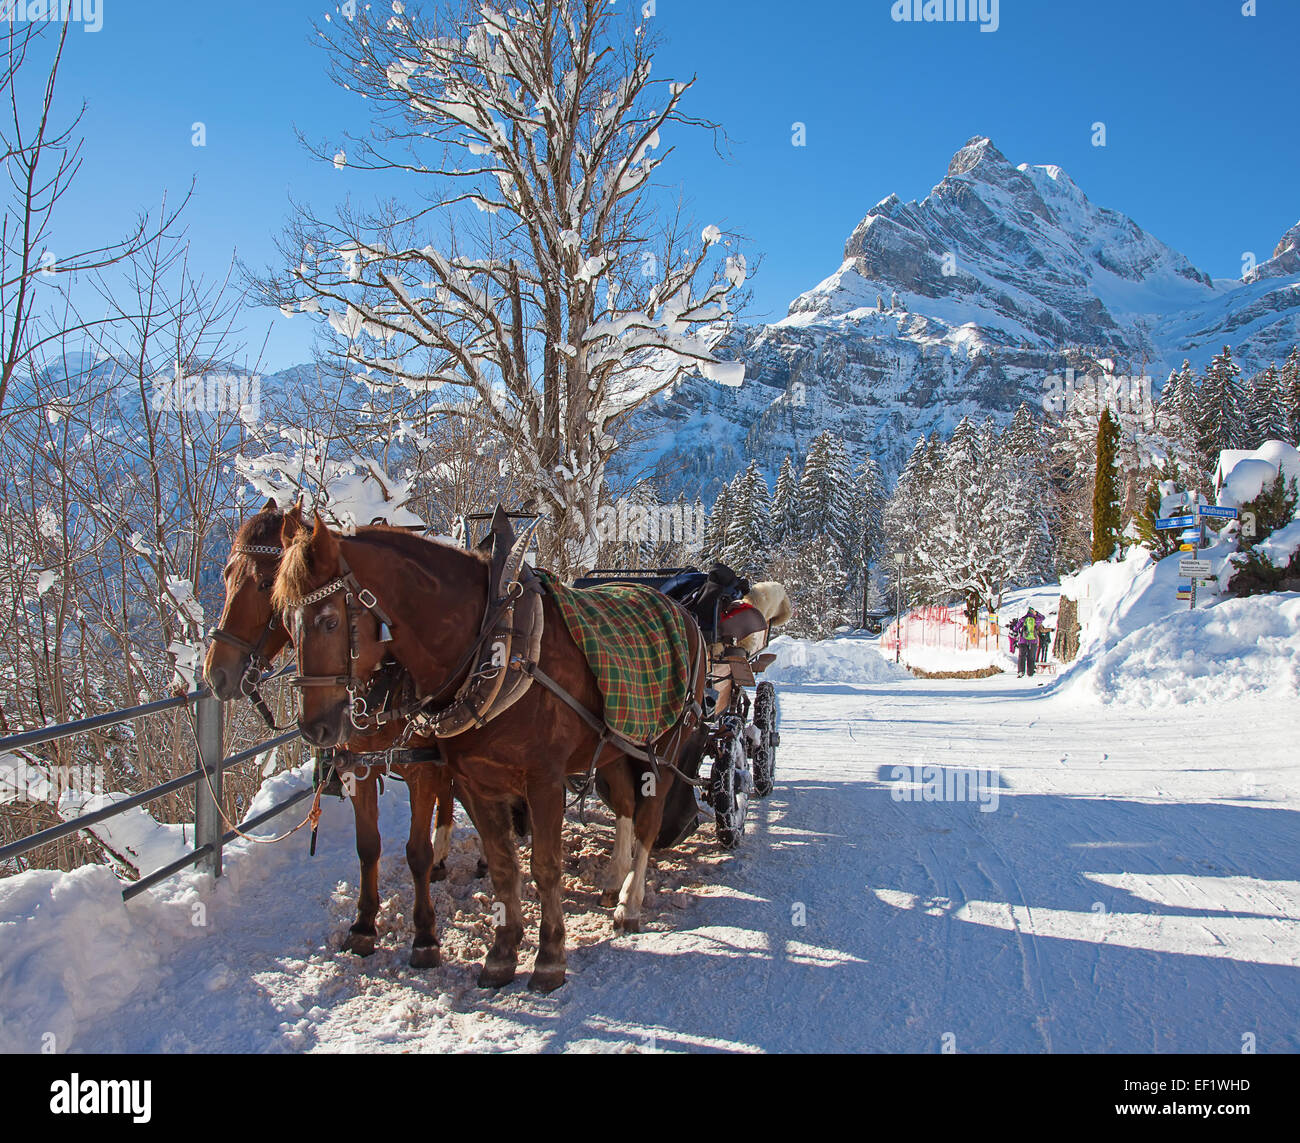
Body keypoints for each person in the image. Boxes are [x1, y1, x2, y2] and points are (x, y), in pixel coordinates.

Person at [1016, 609, 1040, 678]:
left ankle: (1021, 671)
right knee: (1031, 656)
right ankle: (1030, 672)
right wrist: (1037, 614)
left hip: (1023, 640)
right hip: (1033, 641)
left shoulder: (1023, 619)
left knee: (1021, 656)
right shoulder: (1036, 620)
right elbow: (1042, 618)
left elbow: (1016, 628)